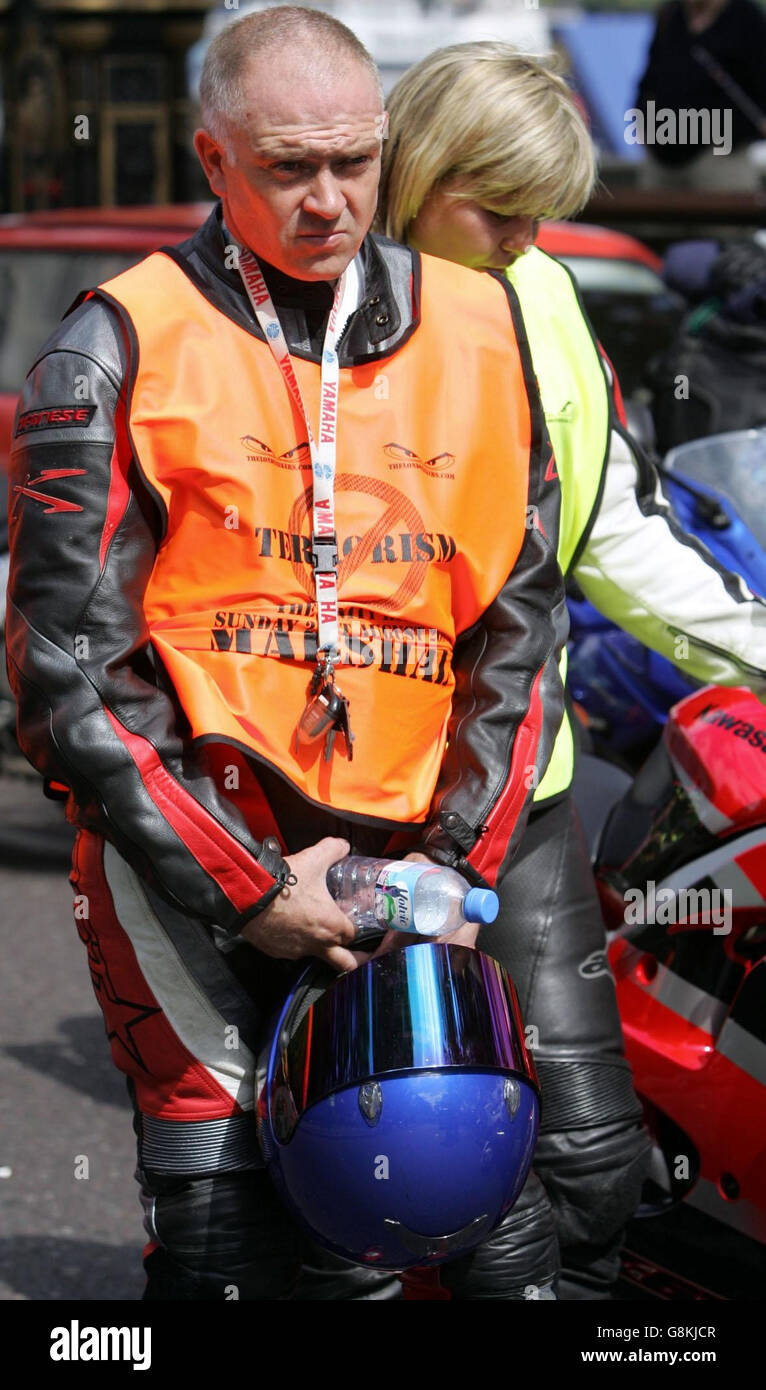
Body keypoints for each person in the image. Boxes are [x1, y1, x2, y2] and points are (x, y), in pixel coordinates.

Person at [5, 9, 569, 1301]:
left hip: (418, 849)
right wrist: (251, 881)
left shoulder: (484, 328)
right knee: (225, 1238)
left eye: (354, 161)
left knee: (472, 1194)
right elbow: (63, 670)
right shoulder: (113, 341)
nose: (330, 199)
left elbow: (519, 625)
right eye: (287, 167)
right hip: (197, 855)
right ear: (212, 159)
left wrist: (446, 867)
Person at [376, 41, 766, 1299]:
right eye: (499, 209)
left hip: (519, 799)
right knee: (373, 1167)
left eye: (544, 212)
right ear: (418, 173)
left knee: (591, 1166)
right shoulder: (303, 305)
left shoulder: (539, 288)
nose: (524, 238)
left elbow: (615, 529)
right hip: (340, 811)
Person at [635, 0, 766, 192]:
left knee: (723, 219)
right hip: (662, 159)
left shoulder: (746, 18)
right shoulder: (670, 15)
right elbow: (650, 79)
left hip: (721, 160)